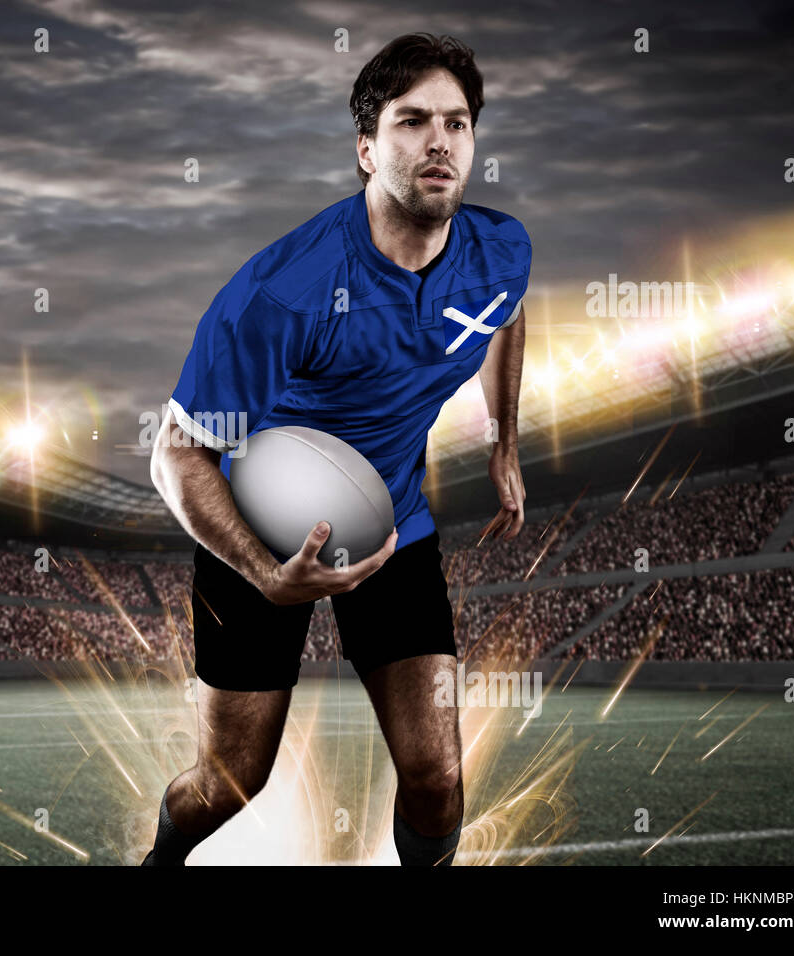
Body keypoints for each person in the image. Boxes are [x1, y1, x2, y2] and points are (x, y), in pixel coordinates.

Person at [145, 32, 528, 866]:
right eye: (412, 121)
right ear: (366, 148)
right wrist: (260, 570)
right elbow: (175, 456)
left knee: (436, 775)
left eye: (458, 124)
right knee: (229, 780)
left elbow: (507, 312)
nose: (439, 141)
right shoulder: (282, 292)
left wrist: (504, 442)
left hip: (393, 524)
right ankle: (159, 863)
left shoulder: (501, 252)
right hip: (257, 526)